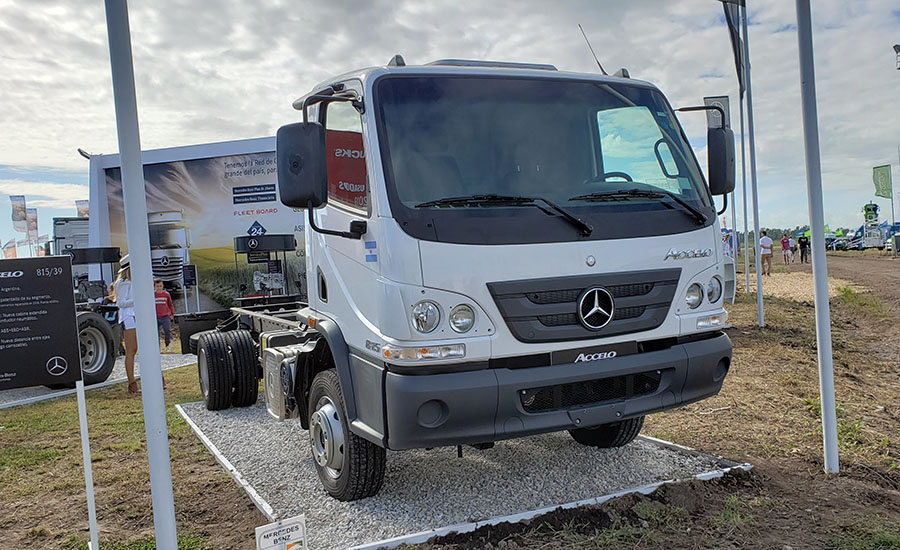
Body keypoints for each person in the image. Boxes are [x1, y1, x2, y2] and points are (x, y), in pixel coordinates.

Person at [115, 255, 139, 394]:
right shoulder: (122, 283)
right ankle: (132, 383)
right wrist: (137, 299)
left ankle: (157, 378)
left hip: (140, 316)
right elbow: (121, 303)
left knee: (147, 348)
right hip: (129, 317)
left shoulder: (137, 280)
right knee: (131, 350)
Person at [154, 278, 175, 352]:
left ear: (162, 286)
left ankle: (168, 345)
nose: (159, 288)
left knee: (167, 330)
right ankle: (157, 348)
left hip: (165, 316)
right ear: (154, 287)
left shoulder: (166, 294)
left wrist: (172, 314)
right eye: (157, 286)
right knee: (156, 333)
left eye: (160, 286)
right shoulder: (153, 295)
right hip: (155, 317)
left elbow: (170, 304)